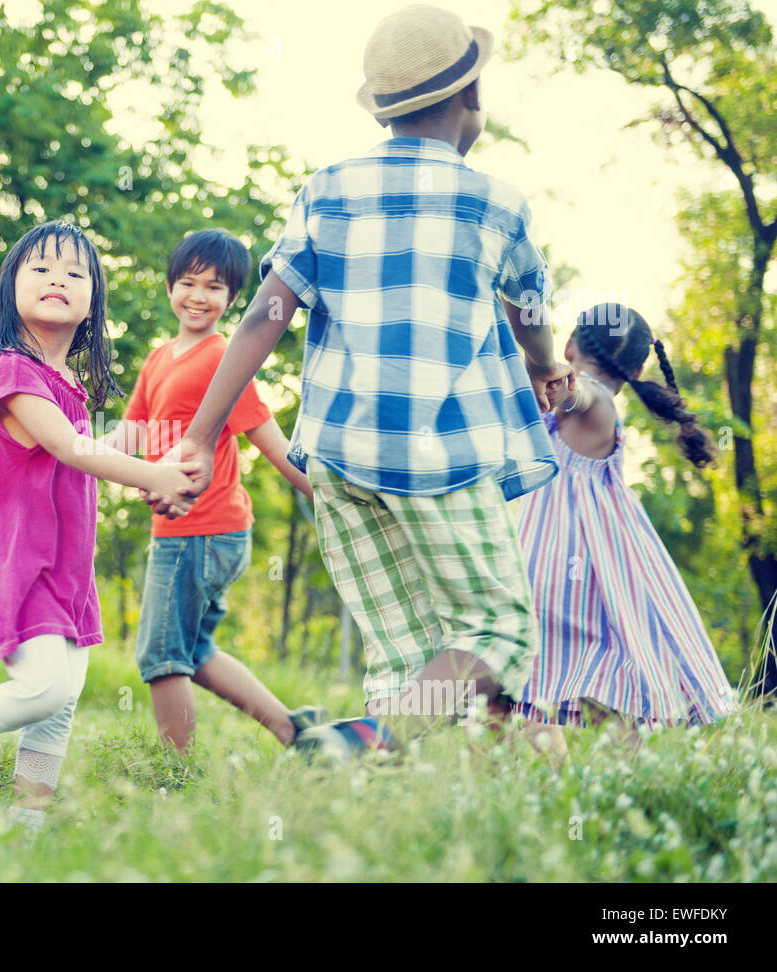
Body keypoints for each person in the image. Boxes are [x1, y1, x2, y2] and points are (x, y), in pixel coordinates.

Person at [148, 4, 573, 758]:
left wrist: (199, 436)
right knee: (498, 628)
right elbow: (530, 305)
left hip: (342, 456)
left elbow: (263, 317)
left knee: (400, 647)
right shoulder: (495, 202)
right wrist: (546, 366)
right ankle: (369, 743)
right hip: (441, 454)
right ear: (472, 97)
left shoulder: (328, 189)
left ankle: (378, 794)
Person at [0, 220, 199, 829]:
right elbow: (73, 450)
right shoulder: (9, 368)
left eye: (75, 273)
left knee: (63, 697)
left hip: (69, 565)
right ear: (9, 291)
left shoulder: (65, 383)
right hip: (20, 559)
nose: (59, 279)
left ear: (91, 304)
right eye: (42, 268)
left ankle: (31, 814)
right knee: (44, 687)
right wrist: (153, 476)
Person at [107, 228, 325, 751]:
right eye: (189, 283)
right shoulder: (160, 359)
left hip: (207, 531)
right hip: (179, 531)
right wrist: (61, 451)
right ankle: (294, 730)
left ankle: (174, 773)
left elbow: (274, 445)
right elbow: (129, 436)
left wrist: (330, 499)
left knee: (162, 655)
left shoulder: (226, 361)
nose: (199, 297)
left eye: (215, 287)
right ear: (168, 286)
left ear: (232, 299)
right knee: (195, 650)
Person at [512, 304, 738, 735]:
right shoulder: (582, 398)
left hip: (555, 560)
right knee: (563, 685)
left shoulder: (591, 400)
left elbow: (582, 395)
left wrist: (563, 384)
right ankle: (581, 785)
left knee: (547, 680)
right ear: (636, 369)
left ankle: (590, 784)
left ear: (571, 345)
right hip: (582, 567)